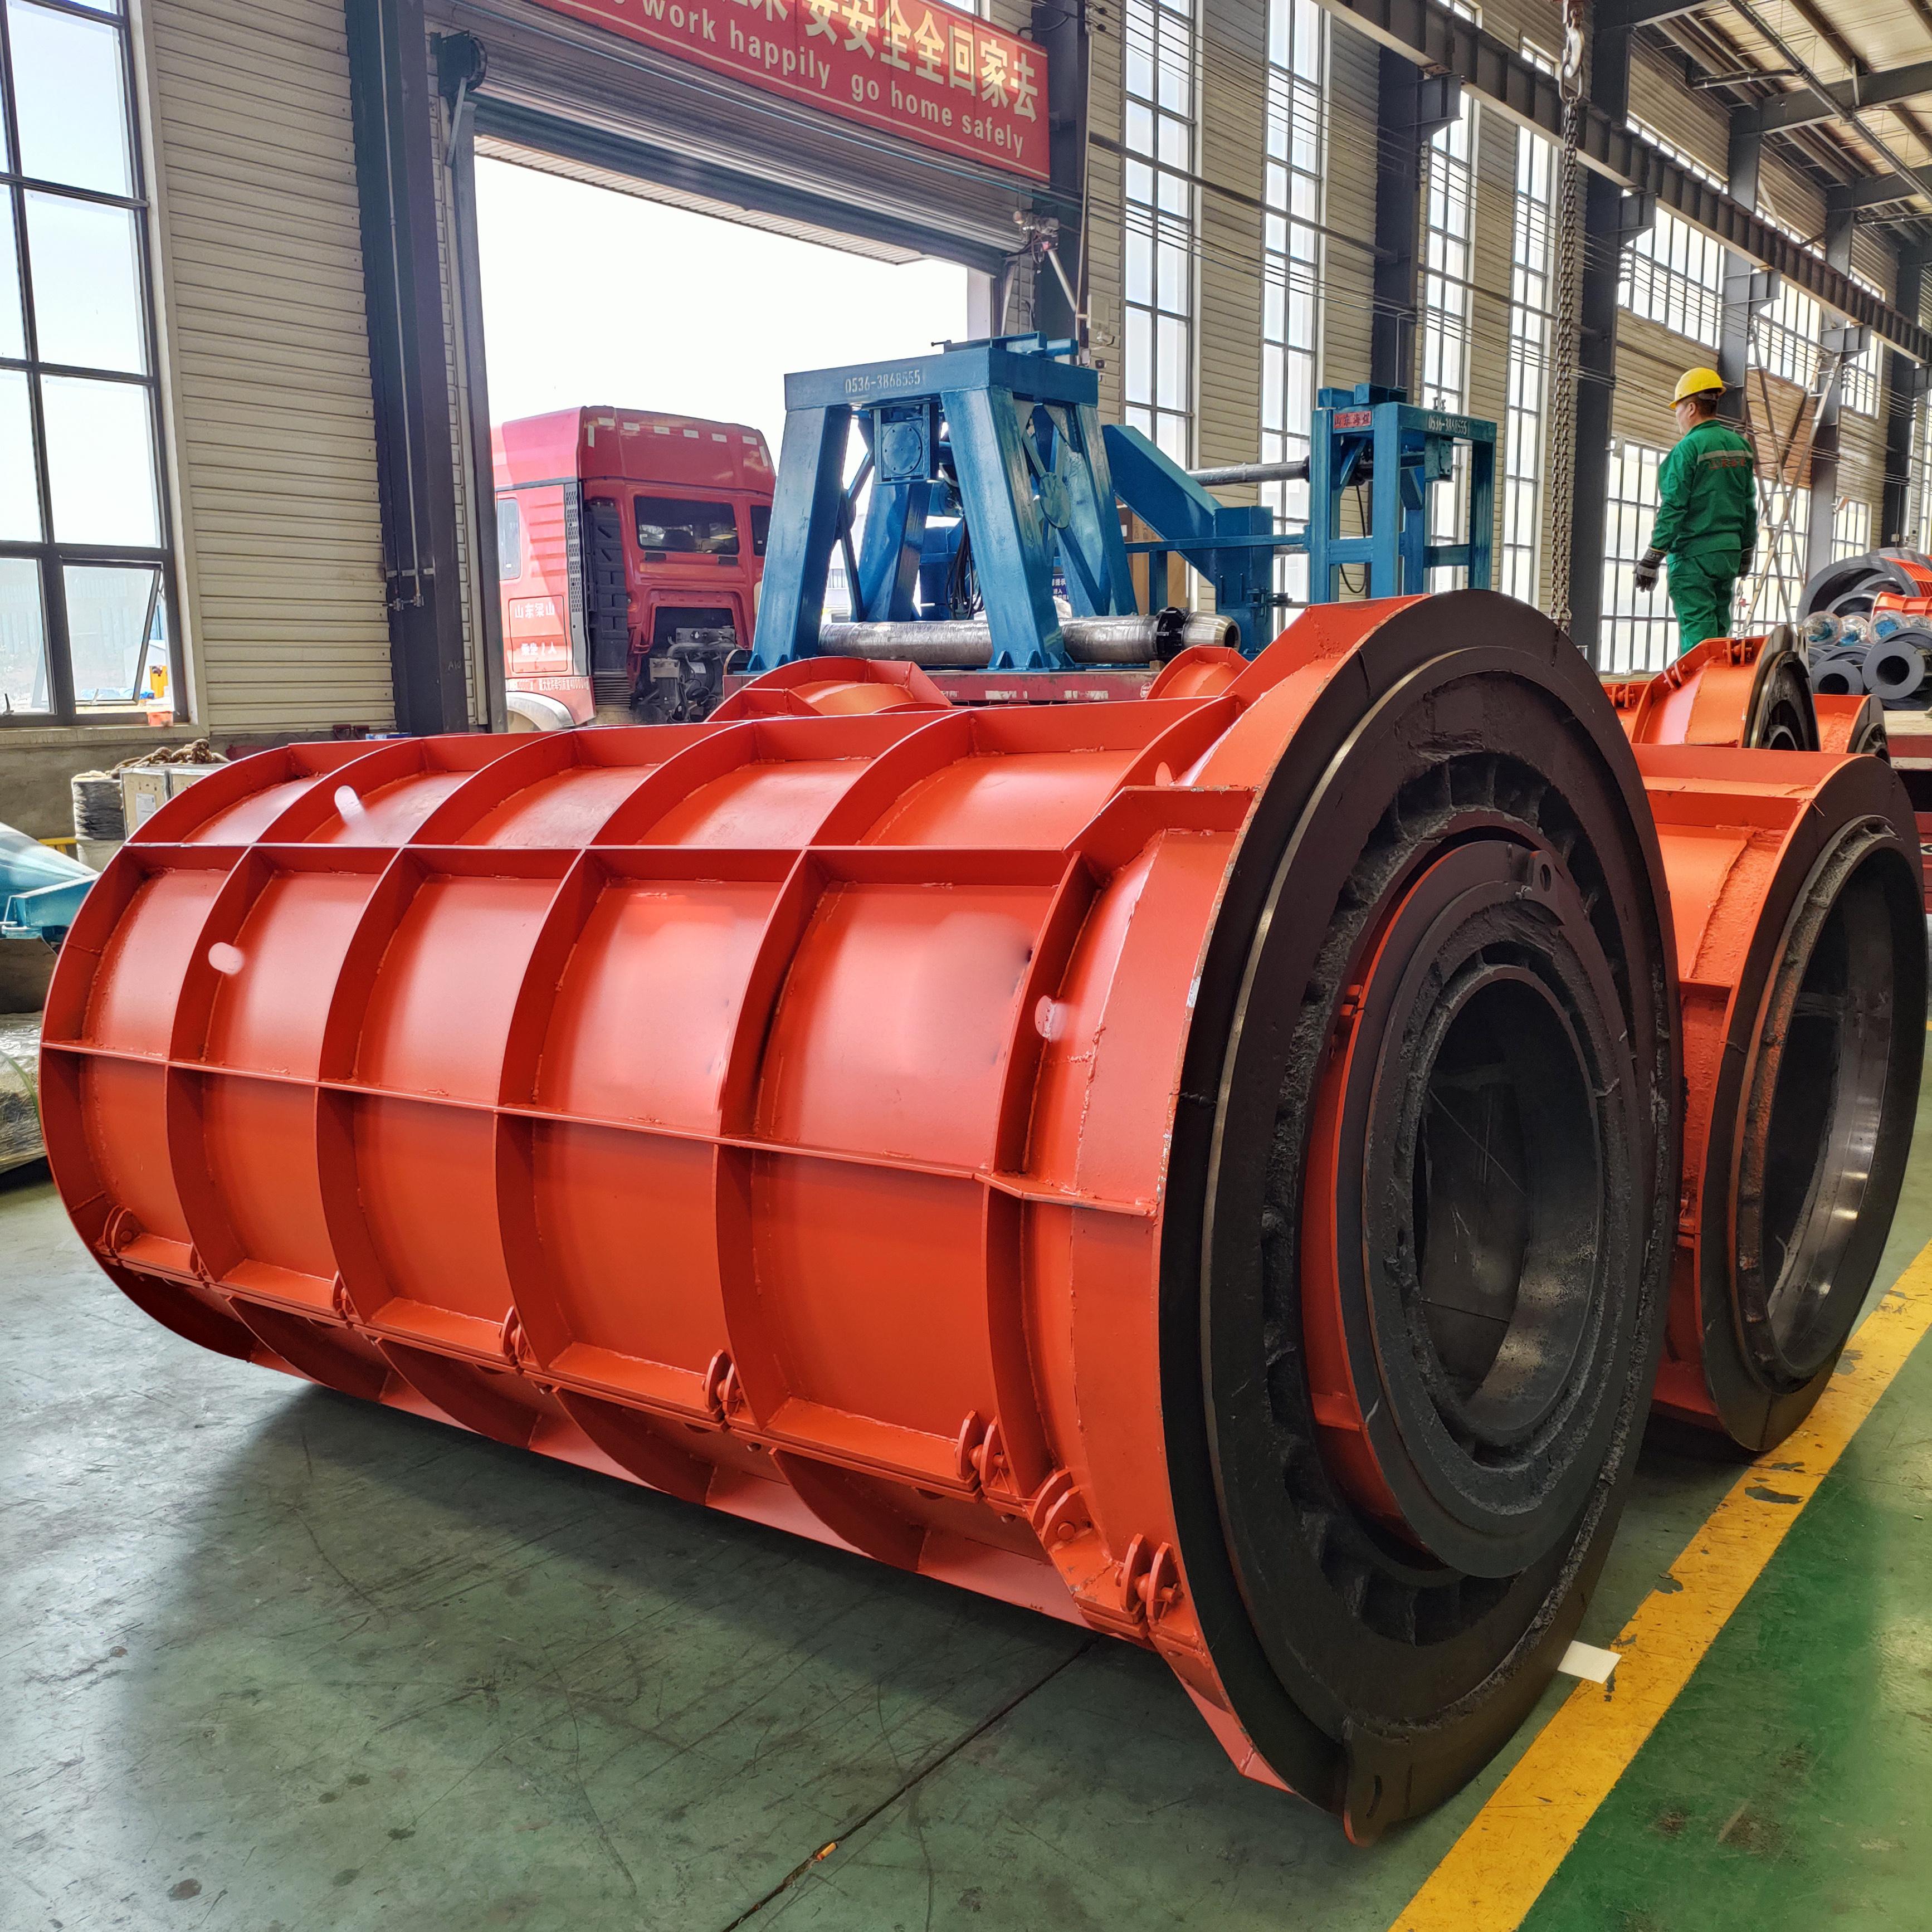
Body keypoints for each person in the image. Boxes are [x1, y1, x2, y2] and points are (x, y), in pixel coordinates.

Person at [1633, 367, 1757, 656]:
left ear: (1691, 408)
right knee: (1719, 629)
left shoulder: (1688, 449)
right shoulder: (1740, 446)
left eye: (1678, 409)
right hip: (1727, 554)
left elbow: (1674, 507)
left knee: (1698, 636)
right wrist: (1745, 551)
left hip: (1694, 557)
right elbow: (1748, 505)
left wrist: (1653, 556)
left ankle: (1702, 683)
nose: (1677, 416)